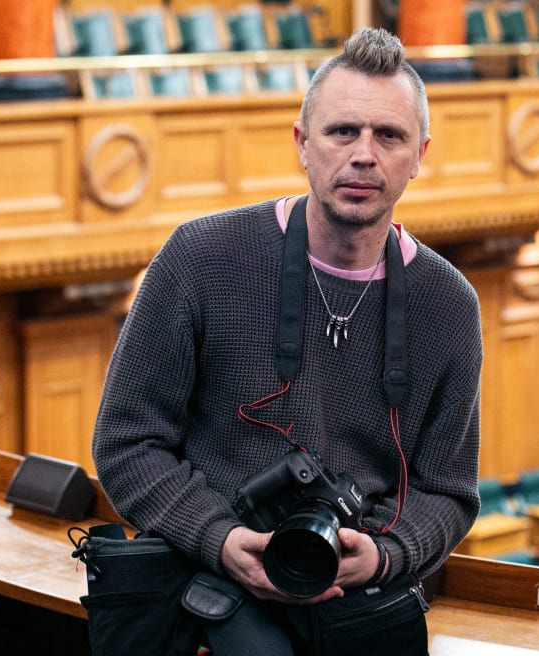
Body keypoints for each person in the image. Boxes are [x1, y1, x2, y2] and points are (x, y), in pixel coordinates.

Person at [90, 26, 482, 656]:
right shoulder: (199, 259)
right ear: (303, 143)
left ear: (420, 154)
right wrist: (220, 539)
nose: (363, 155)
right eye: (341, 131)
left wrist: (382, 557)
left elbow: (449, 492)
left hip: (359, 606)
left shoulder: (449, 304)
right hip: (212, 579)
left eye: (389, 136)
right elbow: (127, 443)